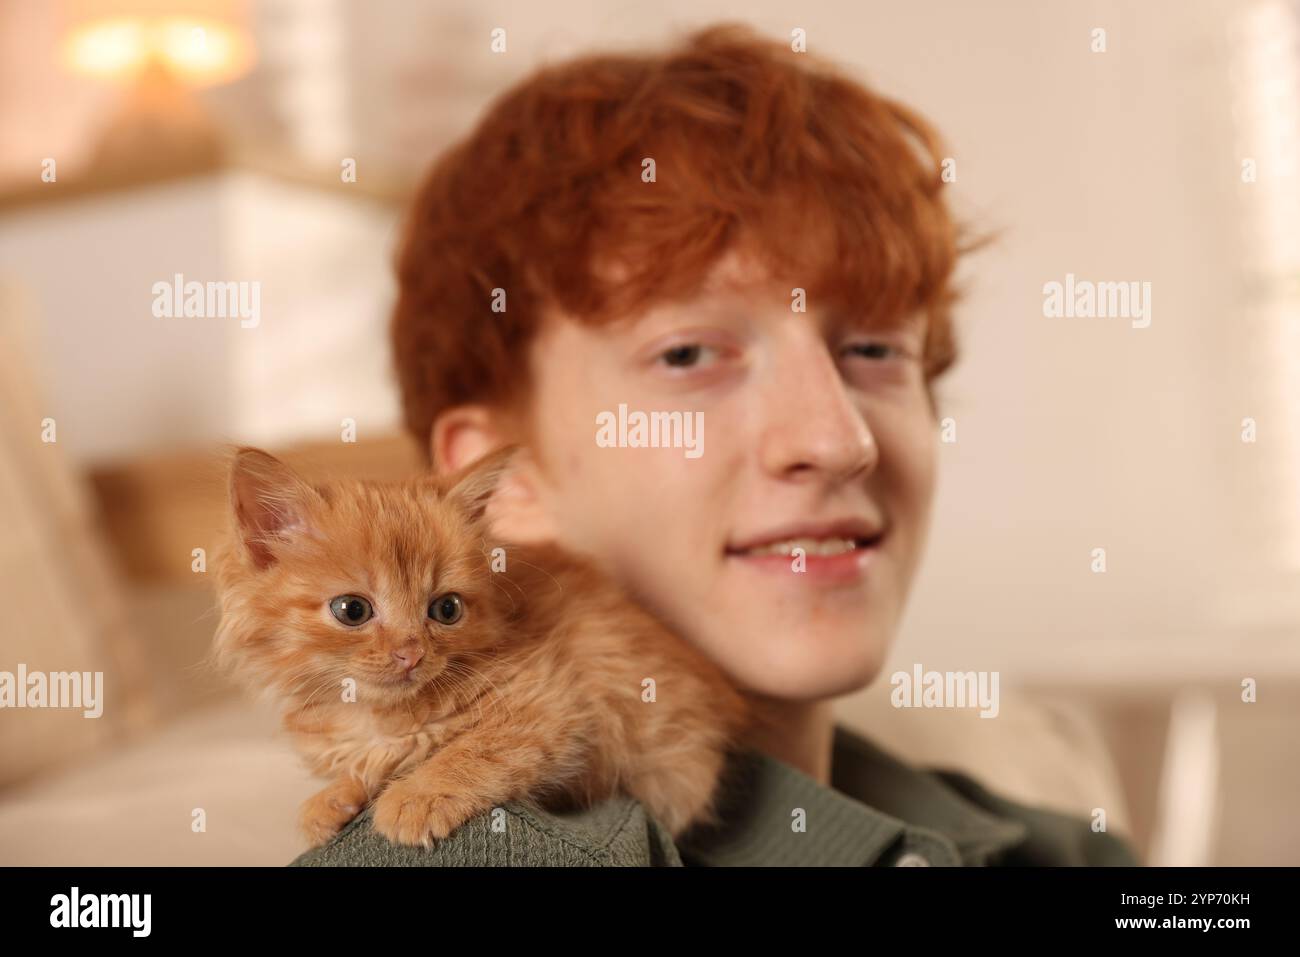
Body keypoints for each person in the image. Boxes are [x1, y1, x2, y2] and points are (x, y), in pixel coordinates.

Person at [294, 23, 1137, 867]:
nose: (837, 439)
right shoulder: (474, 852)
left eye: (875, 349)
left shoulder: (1056, 846)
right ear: (496, 494)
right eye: (690, 354)